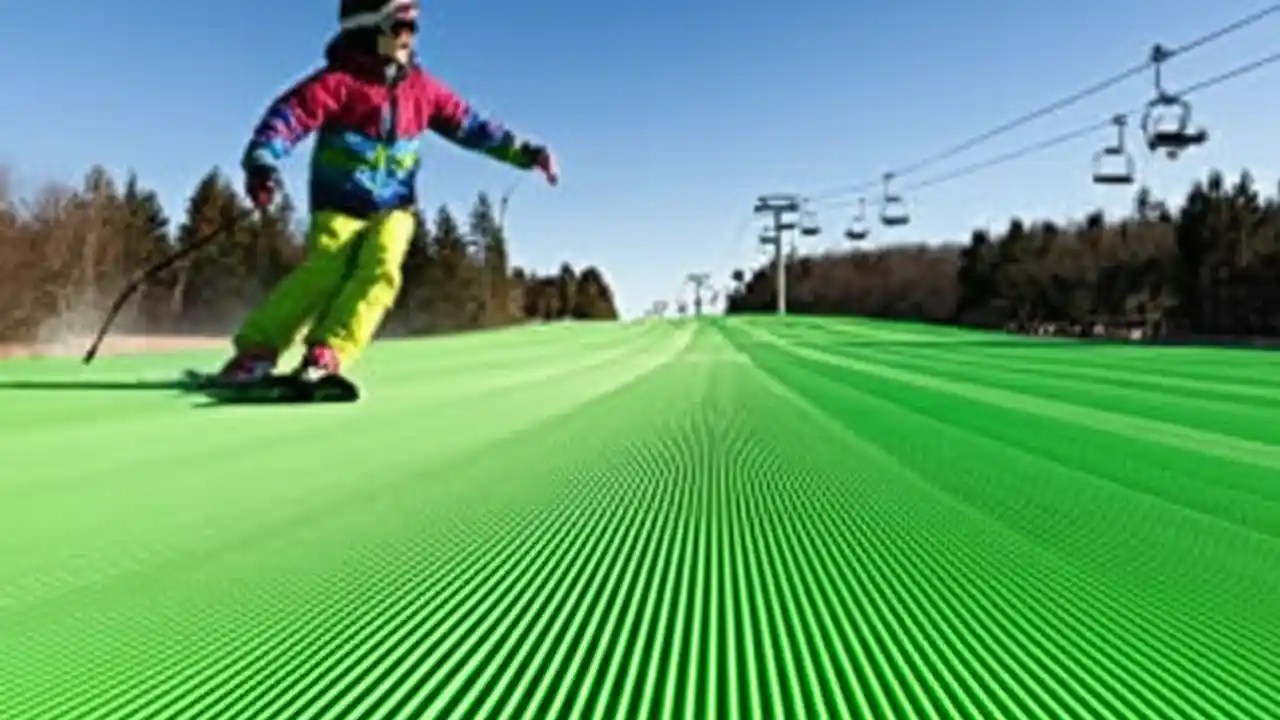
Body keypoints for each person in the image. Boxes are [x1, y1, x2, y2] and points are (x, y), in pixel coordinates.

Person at [216, 0, 558, 382]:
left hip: (395, 206)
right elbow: (287, 118)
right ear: (367, 30)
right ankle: (257, 352)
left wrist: (526, 154)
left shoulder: (423, 90)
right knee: (323, 273)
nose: (409, 37)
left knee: (381, 271)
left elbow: (474, 127)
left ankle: (328, 351)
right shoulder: (338, 83)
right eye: (399, 27)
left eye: (414, 28)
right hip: (339, 203)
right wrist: (263, 161)